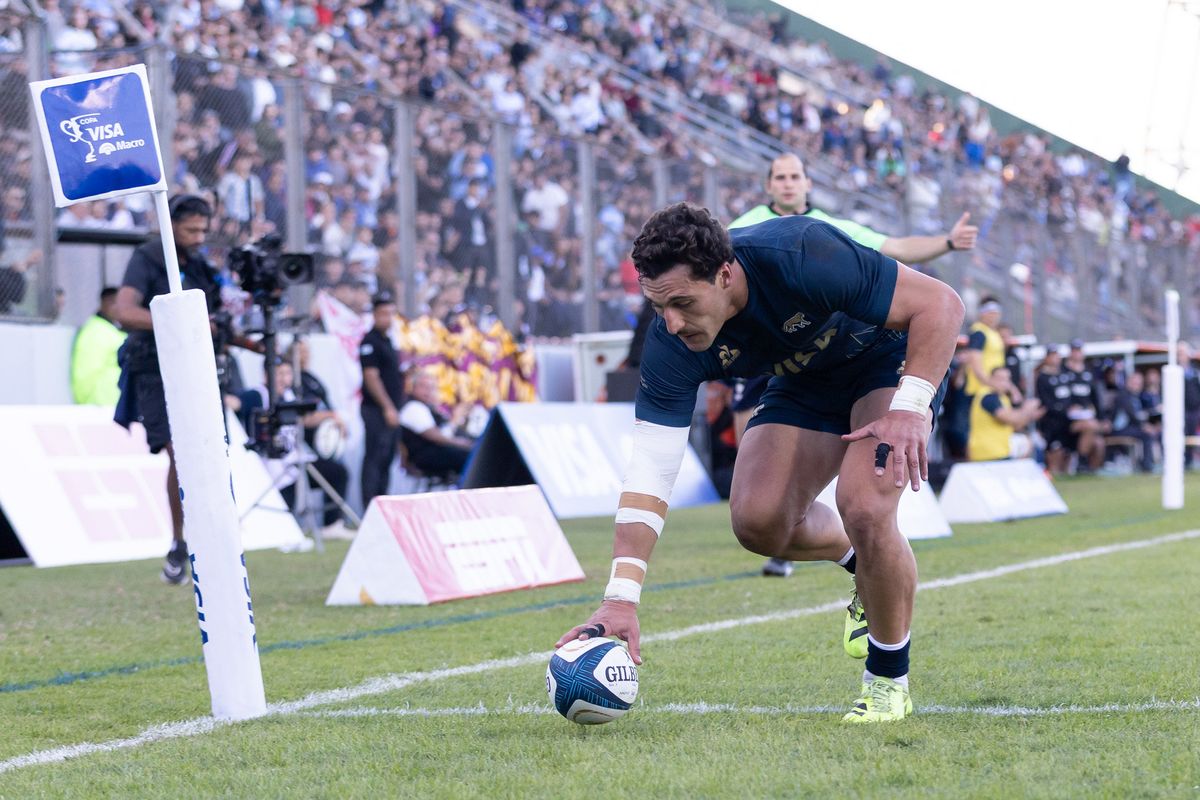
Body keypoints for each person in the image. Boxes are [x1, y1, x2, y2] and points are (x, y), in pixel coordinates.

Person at [555, 203, 965, 723]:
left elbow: (941, 304)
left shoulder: (800, 252)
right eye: (659, 306)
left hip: (890, 361)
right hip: (807, 381)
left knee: (863, 506)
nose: (672, 322)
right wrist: (620, 598)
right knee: (758, 521)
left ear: (725, 274)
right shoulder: (669, 343)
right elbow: (651, 473)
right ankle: (865, 565)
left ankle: (887, 679)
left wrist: (911, 408)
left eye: (682, 301)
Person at [729, 152, 978, 578]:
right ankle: (782, 508)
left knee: (862, 499)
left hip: (847, 351)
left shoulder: (829, 229)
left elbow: (896, 248)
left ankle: (829, 533)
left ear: (807, 184)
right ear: (769, 186)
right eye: (780, 177)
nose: (788, 184)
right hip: (773, 356)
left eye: (795, 177)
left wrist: (947, 243)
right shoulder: (741, 230)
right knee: (752, 459)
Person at [112, 195, 221, 584]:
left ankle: (211, 543)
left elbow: (214, 322)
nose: (198, 236)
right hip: (154, 370)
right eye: (191, 229)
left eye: (204, 229)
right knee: (179, 453)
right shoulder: (148, 257)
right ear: (171, 224)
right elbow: (123, 312)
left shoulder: (201, 266)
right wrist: (183, 324)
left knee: (204, 455)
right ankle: (179, 544)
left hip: (198, 369)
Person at [240, 355, 352, 538]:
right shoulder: (256, 395)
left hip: (295, 462)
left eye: (287, 373)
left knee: (337, 472)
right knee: (282, 517)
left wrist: (331, 416)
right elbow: (237, 402)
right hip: (269, 467)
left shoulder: (290, 395)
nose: (284, 379)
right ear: (266, 375)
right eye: (279, 374)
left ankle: (332, 526)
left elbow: (305, 419)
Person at [359, 291, 404, 508]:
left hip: (392, 410)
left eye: (391, 313)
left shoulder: (389, 342)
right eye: (383, 313)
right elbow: (371, 377)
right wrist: (388, 407)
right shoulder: (370, 342)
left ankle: (383, 505)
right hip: (376, 411)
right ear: (375, 315)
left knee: (387, 460)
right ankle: (369, 507)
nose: (387, 318)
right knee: (374, 458)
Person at [397, 367, 475, 480]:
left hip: (438, 452)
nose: (428, 392)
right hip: (424, 457)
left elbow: (445, 432)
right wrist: (461, 442)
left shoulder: (430, 408)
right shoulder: (413, 407)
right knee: (471, 457)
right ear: (413, 388)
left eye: (432, 388)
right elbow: (437, 438)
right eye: (424, 387)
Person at [967, 366, 1044, 461]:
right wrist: (1027, 409)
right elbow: (1010, 418)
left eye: (1007, 379)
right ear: (990, 379)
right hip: (987, 452)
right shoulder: (988, 397)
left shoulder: (1003, 398)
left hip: (1000, 450)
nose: (1004, 382)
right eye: (1000, 379)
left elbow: (1016, 425)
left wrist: (1030, 415)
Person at [70, 286, 126, 405]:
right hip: (100, 402)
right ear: (107, 303)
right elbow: (88, 375)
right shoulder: (97, 332)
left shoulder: (105, 329)